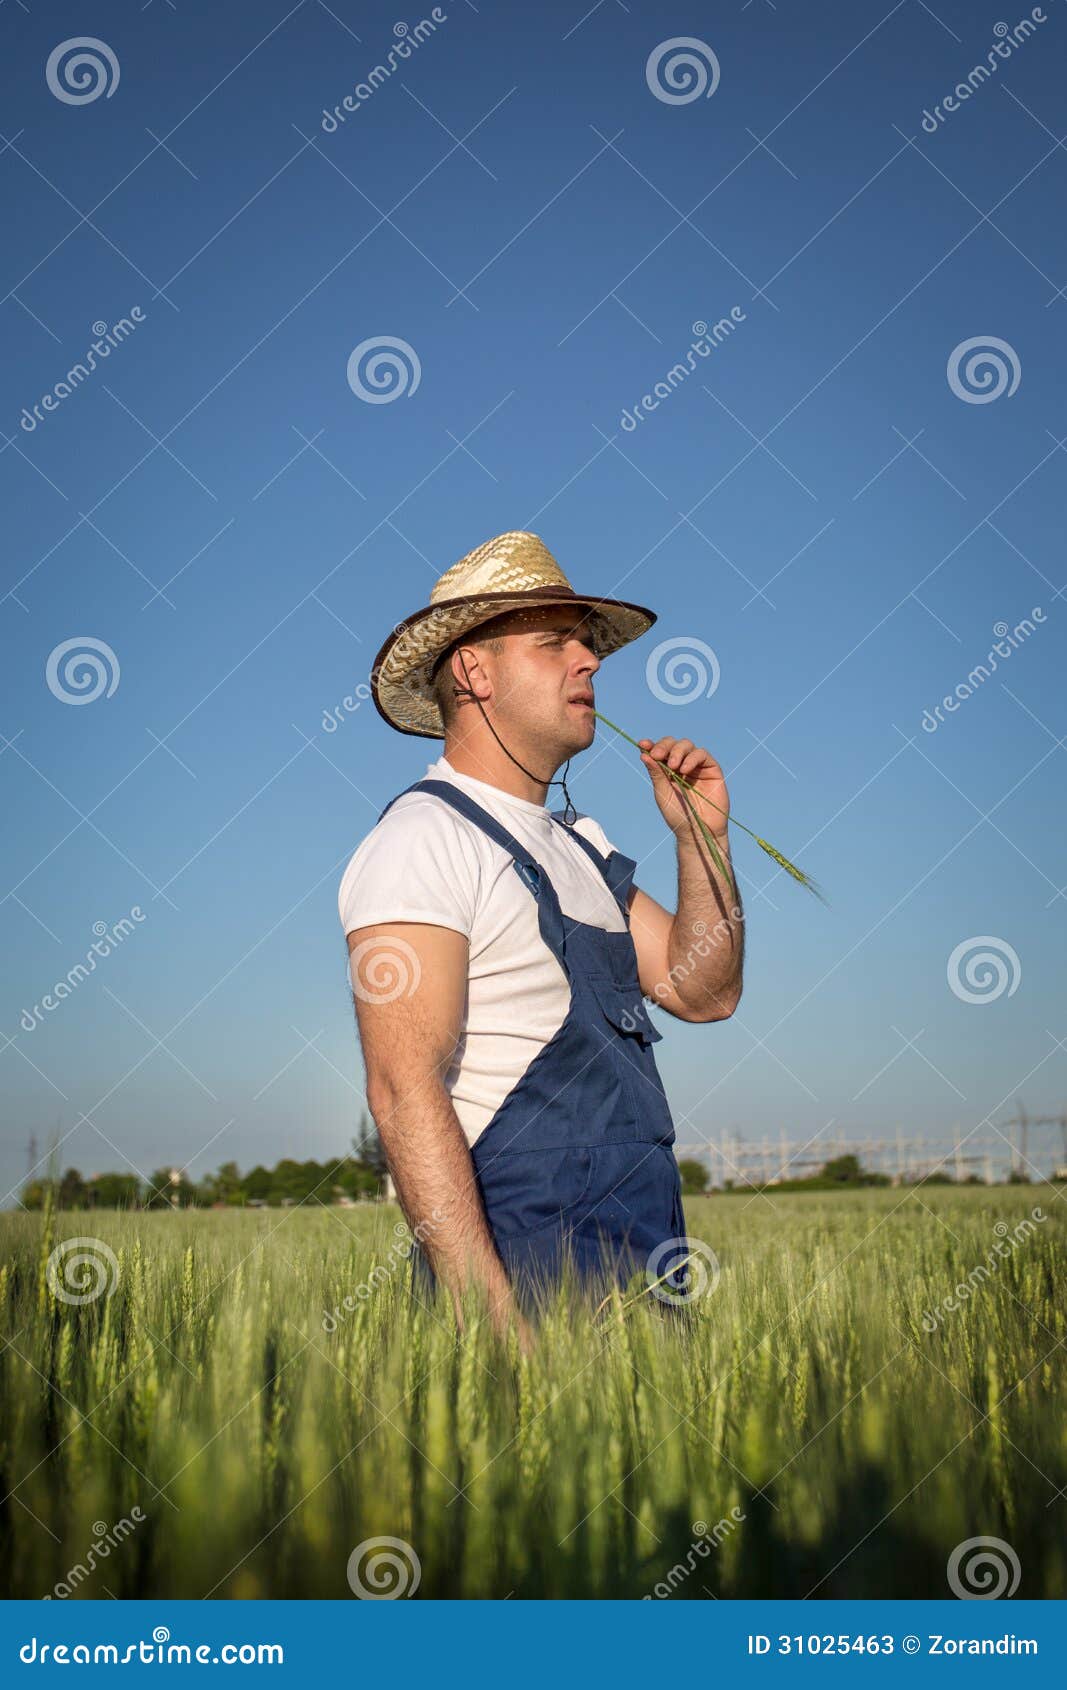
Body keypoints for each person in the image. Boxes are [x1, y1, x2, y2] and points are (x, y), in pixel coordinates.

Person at [337, 531, 744, 1341]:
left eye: (587, 645)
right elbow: (400, 1090)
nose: (587, 662)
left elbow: (706, 990)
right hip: (528, 1274)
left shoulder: (581, 844)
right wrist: (490, 1326)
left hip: (646, 1259)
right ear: (474, 672)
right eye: (553, 642)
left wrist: (703, 838)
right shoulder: (425, 840)